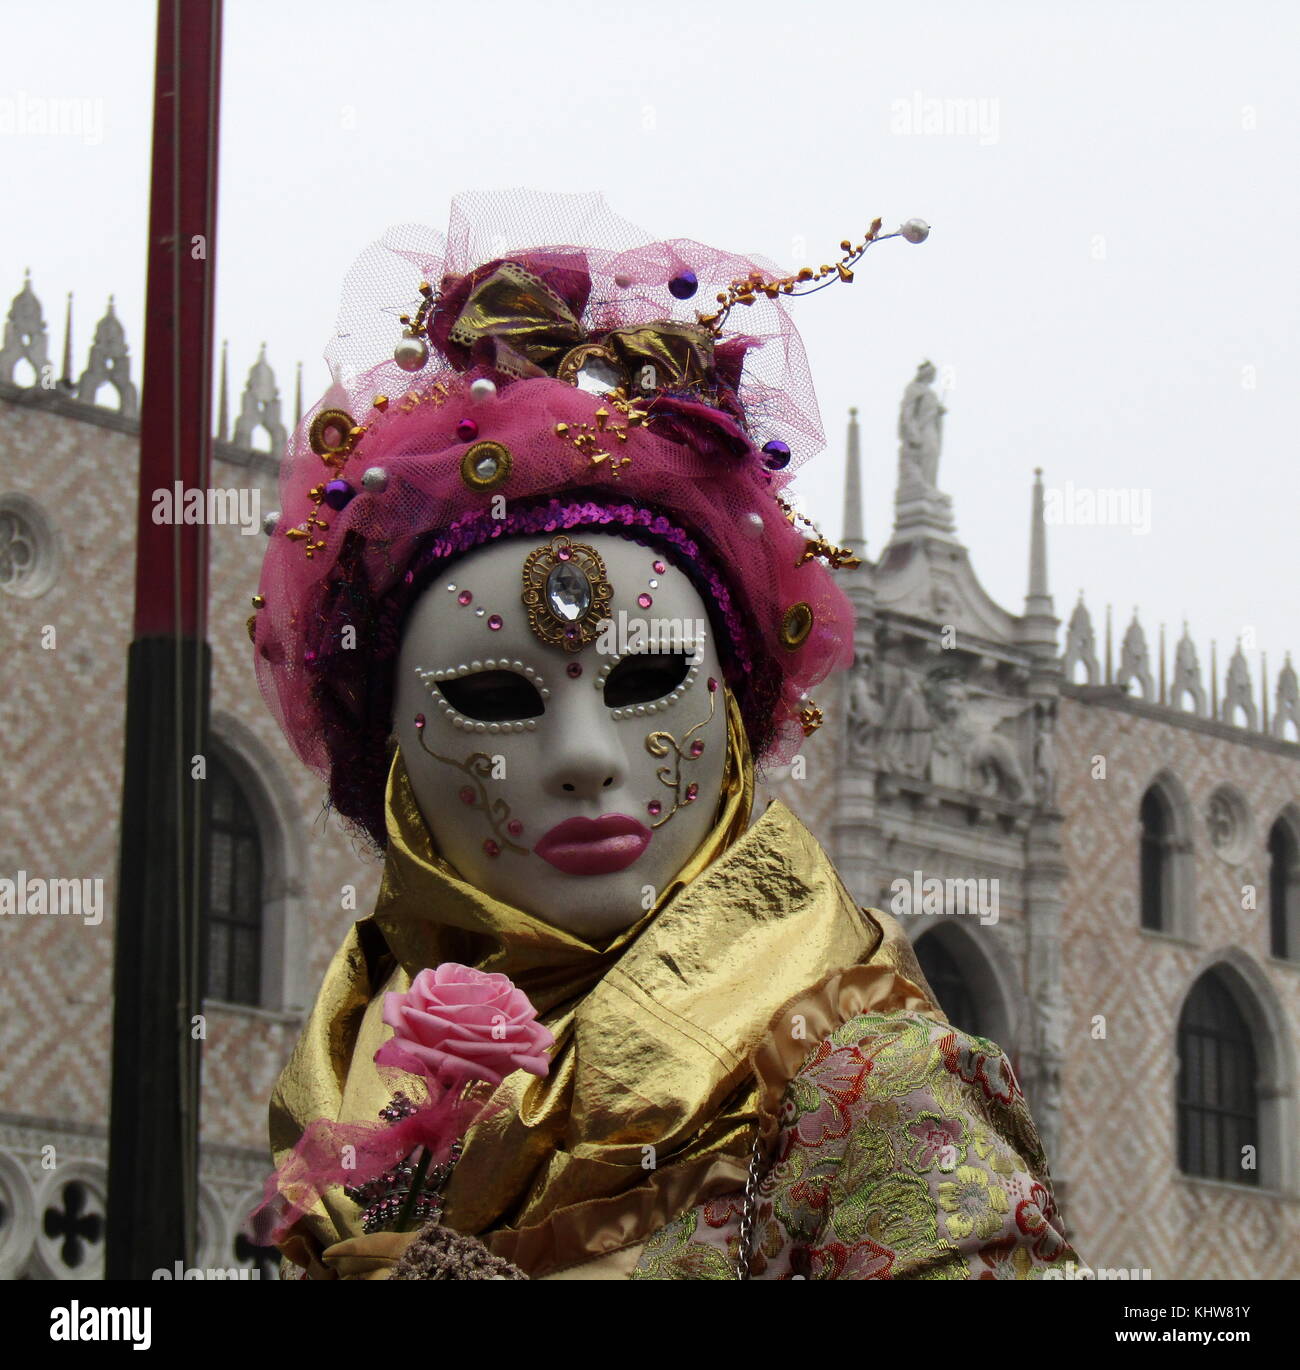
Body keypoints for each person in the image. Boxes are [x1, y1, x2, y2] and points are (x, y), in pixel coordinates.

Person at [252, 191, 1077, 1280]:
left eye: (644, 680)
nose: (586, 752)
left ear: (733, 722)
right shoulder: (364, 1114)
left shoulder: (872, 1101)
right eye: (496, 696)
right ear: (395, 765)